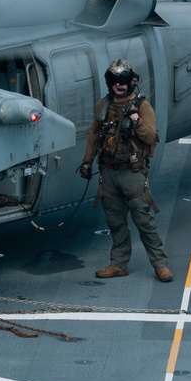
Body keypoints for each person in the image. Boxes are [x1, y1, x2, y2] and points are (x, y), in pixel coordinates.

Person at [78, 59, 173, 283]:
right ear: (110, 83)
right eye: (115, 81)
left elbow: (151, 137)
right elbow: (94, 136)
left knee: (143, 219)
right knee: (115, 220)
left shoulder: (142, 106)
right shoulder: (104, 104)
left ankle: (160, 265)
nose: (119, 86)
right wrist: (86, 162)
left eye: (123, 81)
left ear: (131, 82)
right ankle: (119, 264)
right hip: (109, 172)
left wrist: (135, 119)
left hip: (132, 172)